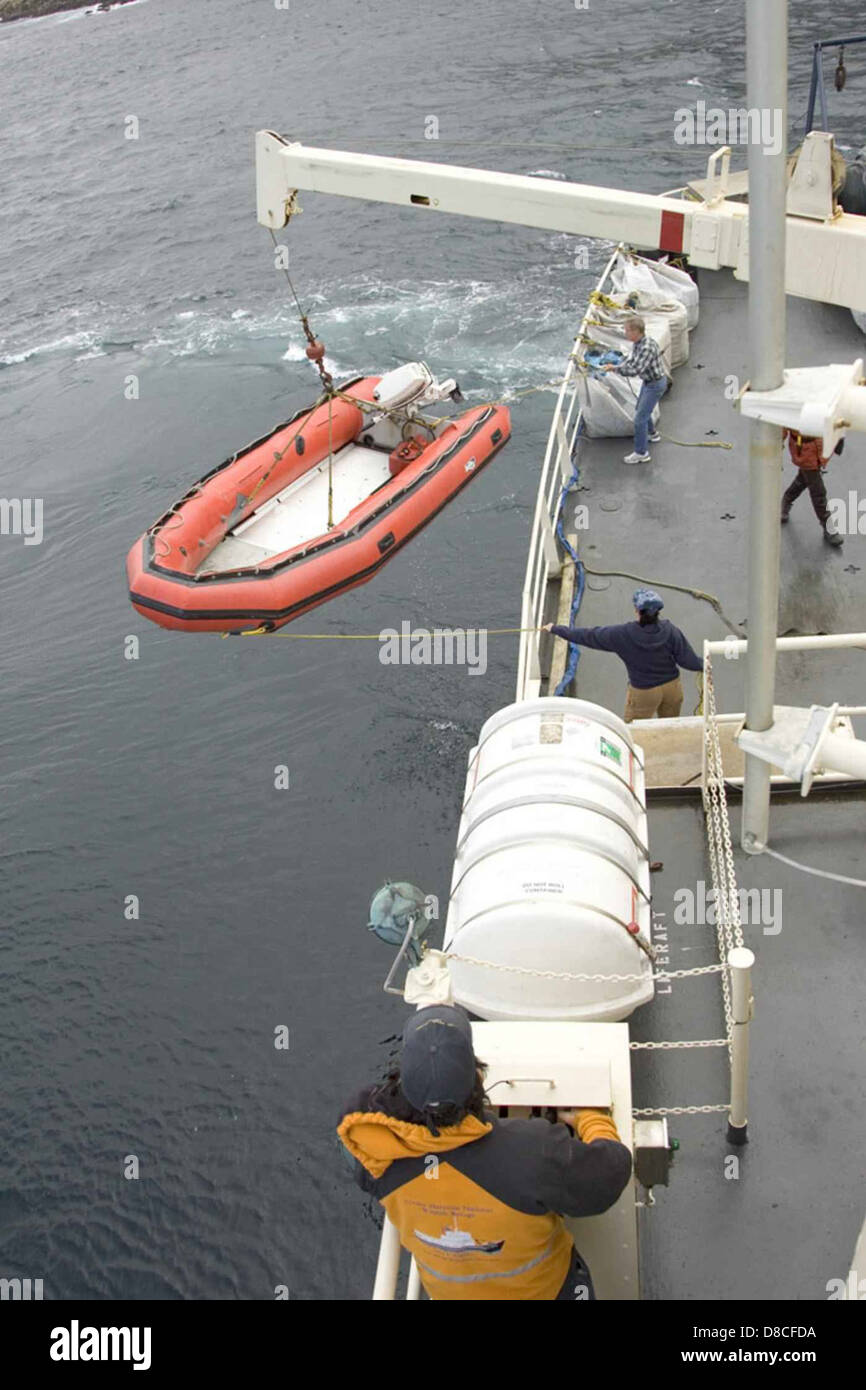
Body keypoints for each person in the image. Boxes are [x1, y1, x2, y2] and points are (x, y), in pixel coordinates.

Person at [337, 1004, 632, 1301]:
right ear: (477, 1076)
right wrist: (593, 1120)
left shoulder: (377, 1158)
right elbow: (609, 1174)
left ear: (401, 1083)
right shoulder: (534, 1153)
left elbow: (357, 1122)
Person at [544, 587, 702, 722]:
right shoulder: (670, 630)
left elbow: (588, 636)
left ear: (637, 610)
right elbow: (687, 660)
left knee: (633, 730)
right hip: (672, 688)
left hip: (644, 692)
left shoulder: (622, 634)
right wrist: (704, 665)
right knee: (671, 726)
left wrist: (556, 629)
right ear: (657, 612)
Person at [602, 314, 669, 464]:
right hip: (649, 382)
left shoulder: (646, 347)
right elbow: (632, 360)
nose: (625, 333)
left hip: (655, 385)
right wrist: (616, 365)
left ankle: (641, 453)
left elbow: (635, 369)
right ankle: (652, 434)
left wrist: (615, 370)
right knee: (641, 408)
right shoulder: (639, 343)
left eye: (627, 331)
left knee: (639, 419)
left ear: (636, 331)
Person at [780, 430, 844, 546]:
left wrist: (839, 436)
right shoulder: (796, 411)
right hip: (804, 450)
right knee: (818, 491)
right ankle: (828, 526)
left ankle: (787, 500)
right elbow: (783, 425)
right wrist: (775, 447)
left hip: (819, 448)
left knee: (803, 479)